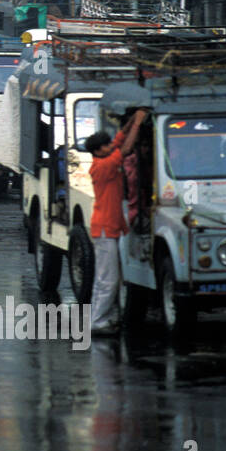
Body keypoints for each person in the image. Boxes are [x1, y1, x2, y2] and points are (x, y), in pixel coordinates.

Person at [82, 108, 149, 335]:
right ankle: (97, 322)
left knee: (107, 278)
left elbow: (120, 140)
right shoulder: (102, 166)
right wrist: (138, 123)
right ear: (98, 150)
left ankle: (102, 318)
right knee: (107, 280)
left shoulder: (103, 159)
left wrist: (132, 121)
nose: (112, 146)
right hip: (104, 229)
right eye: (107, 145)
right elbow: (126, 148)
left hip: (108, 228)